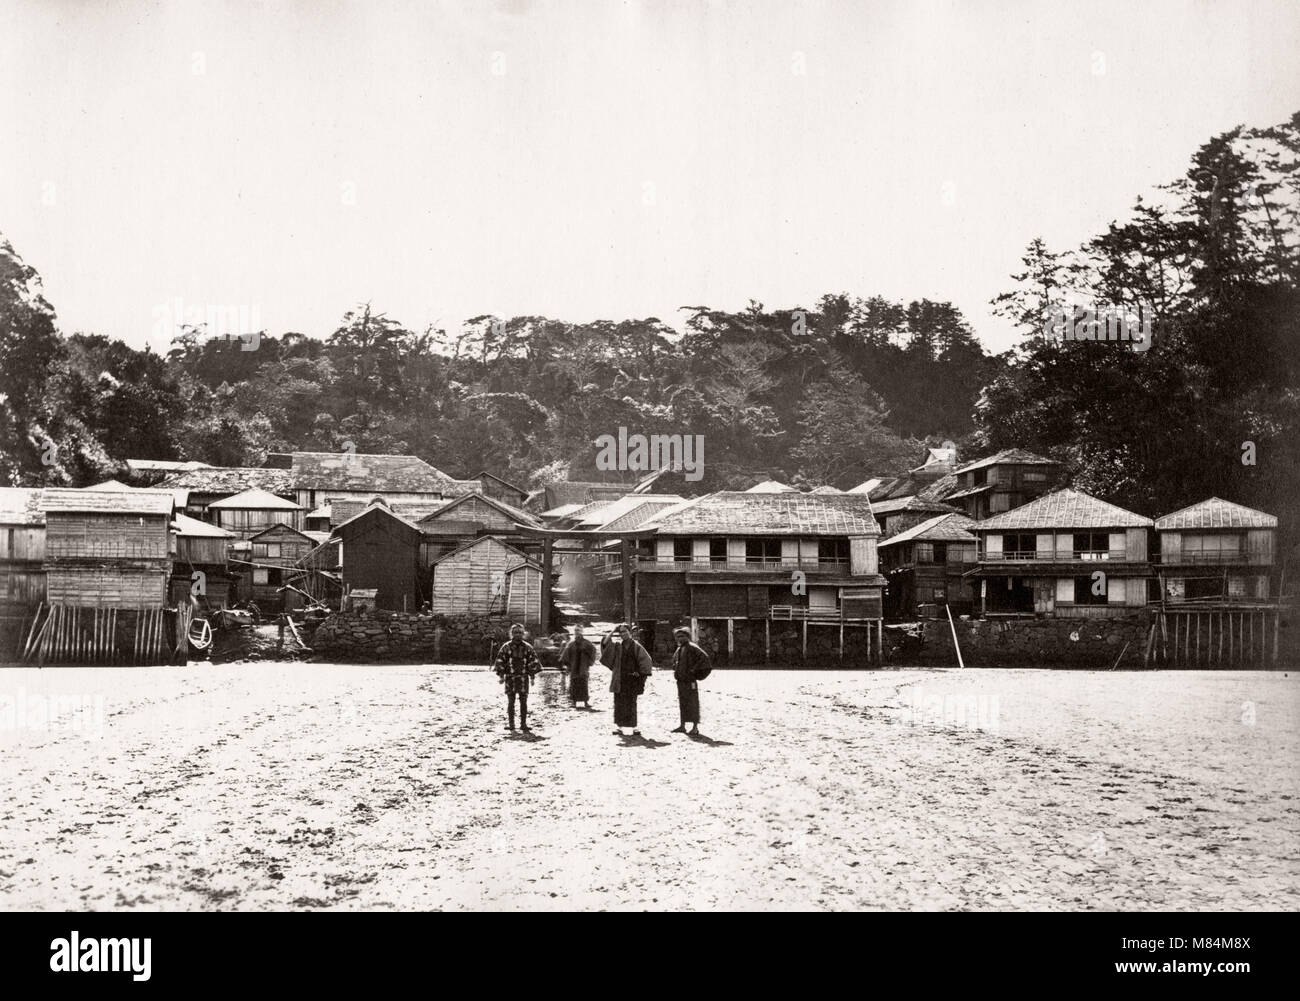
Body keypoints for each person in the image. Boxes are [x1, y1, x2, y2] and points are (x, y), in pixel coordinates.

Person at [601, 622, 653, 738]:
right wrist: (613, 631)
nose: (623, 634)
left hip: (632, 679)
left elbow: (646, 661)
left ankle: (634, 727)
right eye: (621, 632)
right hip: (619, 678)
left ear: (630, 632)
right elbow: (605, 643)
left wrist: (639, 673)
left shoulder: (636, 646)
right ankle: (619, 727)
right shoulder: (617, 646)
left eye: (625, 631)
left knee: (631, 703)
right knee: (619, 703)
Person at [493, 623, 541, 732]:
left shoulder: (528, 647)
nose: (517, 635)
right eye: (515, 632)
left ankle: (523, 724)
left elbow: (532, 662)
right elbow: (501, 661)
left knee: (523, 702)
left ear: (523, 634)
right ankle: (511, 724)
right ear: (511, 634)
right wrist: (501, 676)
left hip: (523, 679)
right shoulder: (506, 647)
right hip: (510, 678)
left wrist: (532, 677)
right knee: (511, 702)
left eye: (520, 632)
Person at [670, 626, 710, 736]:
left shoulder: (693, 647)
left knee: (693, 703)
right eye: (678, 637)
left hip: (690, 681)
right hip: (681, 681)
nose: (679, 638)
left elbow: (704, 659)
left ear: (687, 637)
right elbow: (675, 661)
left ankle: (695, 727)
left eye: (682, 636)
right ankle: (682, 725)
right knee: (683, 703)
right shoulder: (680, 649)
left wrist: (694, 671)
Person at [558, 624, 598, 709]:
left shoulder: (587, 643)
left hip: (583, 667)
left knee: (584, 684)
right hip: (574, 667)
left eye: (579, 630)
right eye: (575, 630)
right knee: (574, 684)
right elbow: (565, 655)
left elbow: (593, 652)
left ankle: (586, 702)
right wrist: (568, 665)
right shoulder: (571, 644)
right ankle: (574, 702)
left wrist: (590, 662)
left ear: (582, 632)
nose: (577, 632)